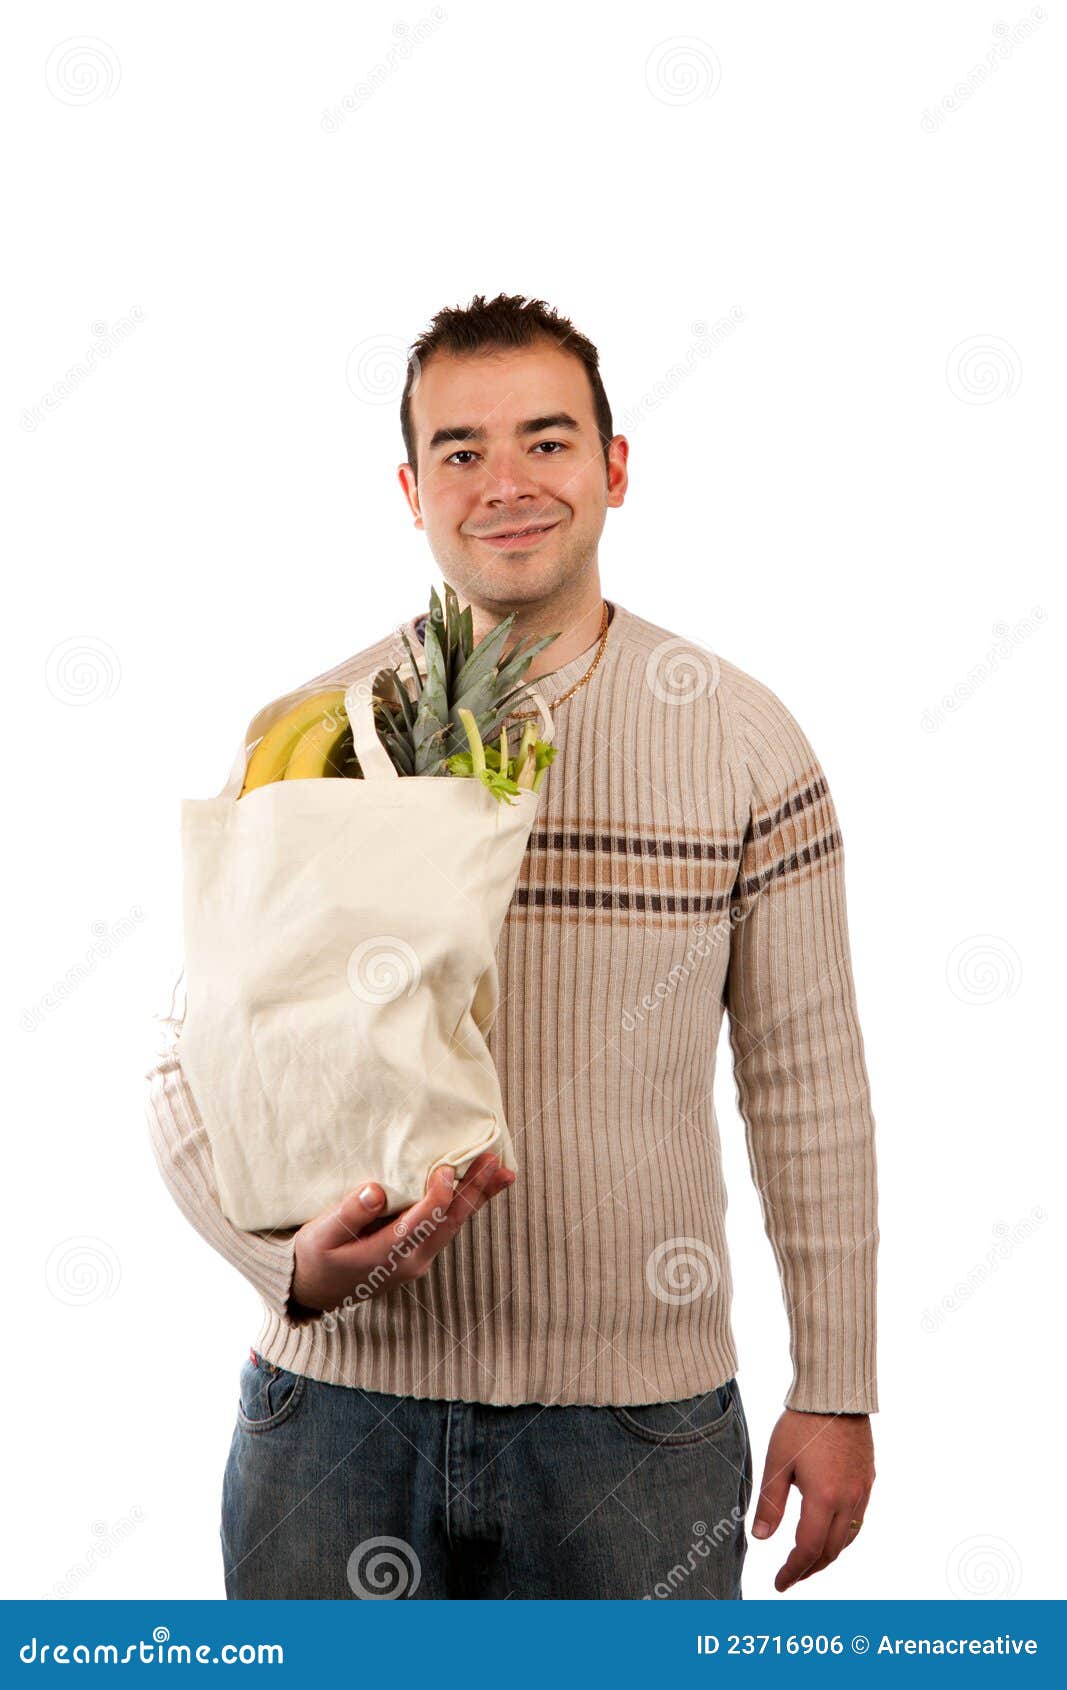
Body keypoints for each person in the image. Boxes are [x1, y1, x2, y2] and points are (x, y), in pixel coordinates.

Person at [145, 292, 878, 1600]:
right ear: (412, 488)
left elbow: (807, 1076)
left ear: (615, 466)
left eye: (547, 440)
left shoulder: (742, 739)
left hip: (638, 1431)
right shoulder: (321, 734)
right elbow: (191, 1054)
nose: (507, 483)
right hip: (334, 1415)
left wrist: (838, 1384)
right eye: (463, 452)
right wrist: (290, 1268)